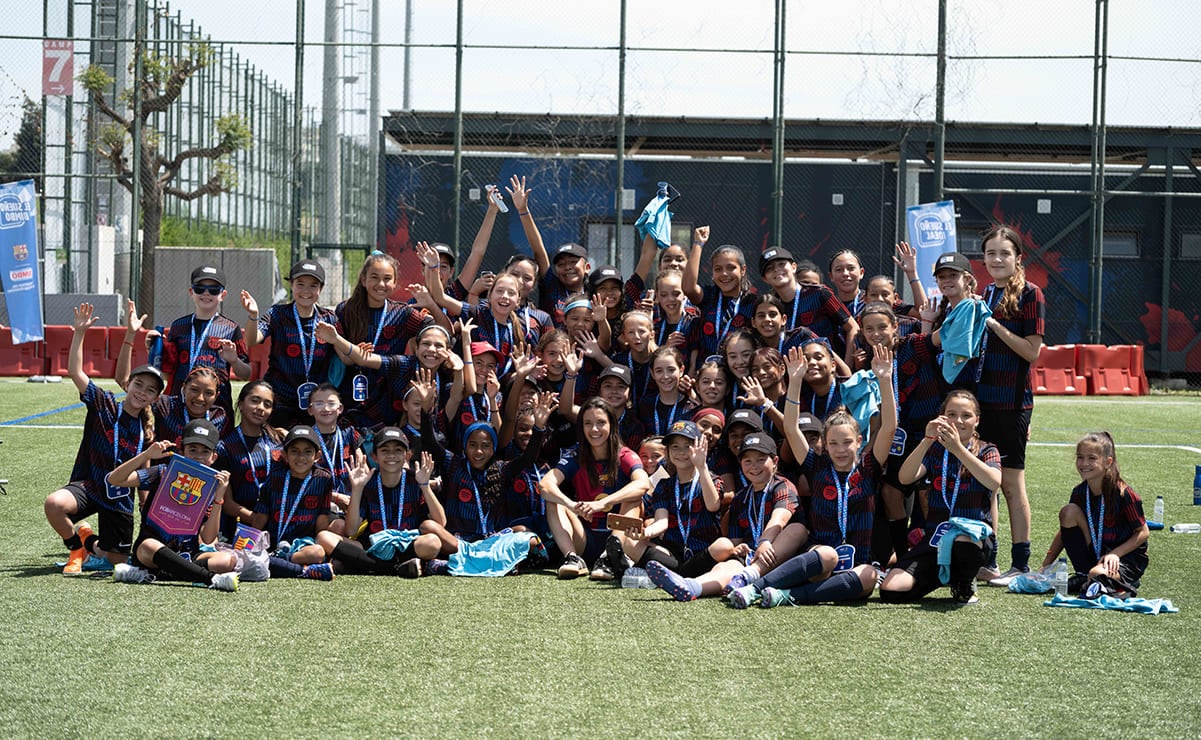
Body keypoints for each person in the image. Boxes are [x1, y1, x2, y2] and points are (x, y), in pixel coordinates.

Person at [725, 344, 896, 608]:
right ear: (825, 445)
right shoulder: (817, 467)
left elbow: (889, 428)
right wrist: (795, 381)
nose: (841, 450)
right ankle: (754, 587)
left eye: (847, 443)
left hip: (855, 564)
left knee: (869, 576)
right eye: (834, 443)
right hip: (818, 556)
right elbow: (792, 429)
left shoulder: (868, 468)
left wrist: (885, 380)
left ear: (859, 442)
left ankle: (785, 596)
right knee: (827, 555)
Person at [44, 303, 164, 575]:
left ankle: (88, 540)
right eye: (138, 385)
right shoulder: (104, 403)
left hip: (120, 496)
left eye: (149, 391)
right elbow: (76, 373)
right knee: (54, 504)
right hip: (91, 485)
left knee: (116, 561)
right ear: (128, 384)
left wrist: (143, 501)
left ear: (155, 398)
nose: (142, 392)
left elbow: (144, 468)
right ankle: (76, 548)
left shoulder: (147, 429)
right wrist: (79, 333)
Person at [644, 433, 802, 601]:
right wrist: (738, 548)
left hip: (779, 554)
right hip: (751, 556)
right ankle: (691, 586)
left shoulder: (782, 485)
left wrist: (764, 541)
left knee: (796, 529)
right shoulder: (741, 497)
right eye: (748, 461)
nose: (754, 466)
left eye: (761, 460)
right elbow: (736, 539)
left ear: (775, 461)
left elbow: (779, 519)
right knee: (725, 567)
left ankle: (747, 577)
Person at [972, 226, 1046, 586]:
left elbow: (1032, 352)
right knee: (986, 484)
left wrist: (994, 325)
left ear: (1018, 257)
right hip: (980, 404)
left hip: (1012, 403)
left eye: (1004, 253)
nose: (997, 259)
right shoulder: (983, 293)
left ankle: (1021, 564)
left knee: (1012, 485)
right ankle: (990, 560)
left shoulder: (1031, 293)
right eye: (991, 253)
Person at [880, 390, 1002, 604]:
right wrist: (927, 440)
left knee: (963, 542)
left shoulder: (987, 450)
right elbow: (905, 477)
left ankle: (964, 584)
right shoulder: (936, 450)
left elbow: (993, 481)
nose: (959, 421)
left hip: (972, 538)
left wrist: (958, 450)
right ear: (942, 417)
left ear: (977, 421)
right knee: (891, 591)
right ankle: (940, 576)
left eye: (966, 415)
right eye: (952, 414)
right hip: (937, 537)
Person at [106, 418, 240, 591]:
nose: (198, 456)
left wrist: (218, 498)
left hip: (187, 554)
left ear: (213, 457)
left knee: (227, 561)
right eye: (192, 450)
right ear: (182, 451)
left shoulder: (212, 486)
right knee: (149, 545)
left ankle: (149, 574)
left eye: (205, 452)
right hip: (152, 550)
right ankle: (212, 579)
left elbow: (208, 538)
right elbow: (115, 479)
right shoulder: (163, 472)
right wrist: (146, 455)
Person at [538, 398, 651, 579]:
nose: (594, 429)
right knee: (554, 501)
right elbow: (545, 485)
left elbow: (643, 484)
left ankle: (608, 559)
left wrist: (603, 503)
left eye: (601, 423)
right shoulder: (576, 454)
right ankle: (572, 558)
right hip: (585, 537)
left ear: (612, 425)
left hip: (618, 536)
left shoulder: (625, 455)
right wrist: (571, 504)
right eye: (588, 423)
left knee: (634, 498)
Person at [320, 428, 454, 578]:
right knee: (324, 537)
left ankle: (367, 566)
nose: (391, 455)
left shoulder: (416, 480)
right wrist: (356, 489)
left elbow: (440, 523)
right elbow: (351, 530)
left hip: (406, 543)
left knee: (433, 543)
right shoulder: (367, 482)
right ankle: (395, 567)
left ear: (407, 455)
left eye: (398, 450)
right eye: (385, 450)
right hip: (374, 545)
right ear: (375, 457)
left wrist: (425, 486)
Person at [613, 421, 729, 580]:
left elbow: (713, 505)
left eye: (688, 446)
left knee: (724, 545)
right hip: (673, 555)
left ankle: (666, 576)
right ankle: (676, 576)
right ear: (667, 452)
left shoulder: (711, 479)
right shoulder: (664, 485)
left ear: (699, 448)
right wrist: (645, 533)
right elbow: (662, 522)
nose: (681, 452)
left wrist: (702, 466)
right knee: (629, 543)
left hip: (704, 553)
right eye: (675, 447)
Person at [332, 251, 433, 427]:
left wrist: (431, 305)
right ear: (363, 280)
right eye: (374, 277)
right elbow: (344, 357)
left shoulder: (403, 313)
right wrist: (355, 352)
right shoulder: (345, 310)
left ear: (394, 283)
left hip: (389, 401)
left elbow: (436, 329)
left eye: (387, 279)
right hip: (352, 398)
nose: (381, 284)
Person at [1041, 432, 1149, 592]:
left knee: (1096, 575)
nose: (1084, 463)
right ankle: (1084, 574)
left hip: (1124, 558)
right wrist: (1045, 566)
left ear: (1107, 462)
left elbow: (1143, 532)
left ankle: (1119, 582)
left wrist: (1115, 554)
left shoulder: (1123, 493)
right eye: (1080, 457)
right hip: (1096, 553)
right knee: (1068, 512)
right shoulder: (1080, 492)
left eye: (1092, 458)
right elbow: (1065, 531)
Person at [242, 259, 337, 428]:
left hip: (316, 402)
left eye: (313, 286)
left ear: (321, 289)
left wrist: (340, 341)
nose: (306, 291)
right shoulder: (277, 313)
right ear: (291, 285)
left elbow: (344, 354)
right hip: (280, 398)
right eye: (300, 284)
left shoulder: (330, 319)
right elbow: (251, 340)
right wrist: (253, 315)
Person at [155, 266, 251, 420]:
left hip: (216, 408)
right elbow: (166, 371)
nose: (206, 293)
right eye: (200, 288)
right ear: (191, 292)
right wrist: (153, 349)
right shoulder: (178, 326)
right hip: (179, 403)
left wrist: (234, 360)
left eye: (214, 290)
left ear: (223, 295)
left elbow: (246, 374)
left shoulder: (231, 328)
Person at [251, 425, 337, 579]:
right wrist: (251, 540)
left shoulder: (324, 479)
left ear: (317, 455)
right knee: (250, 553)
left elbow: (322, 516)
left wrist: (321, 542)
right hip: (272, 542)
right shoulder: (276, 476)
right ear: (285, 454)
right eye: (294, 451)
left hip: (302, 544)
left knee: (317, 552)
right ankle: (300, 569)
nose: (301, 457)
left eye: (308, 452)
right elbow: (261, 514)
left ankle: (279, 561)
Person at [215, 380, 282, 540]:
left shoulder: (278, 442)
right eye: (255, 400)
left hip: (277, 523)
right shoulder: (225, 446)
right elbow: (226, 502)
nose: (261, 408)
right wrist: (256, 519)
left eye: (267, 404)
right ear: (240, 404)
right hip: (239, 527)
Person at [682, 227, 757, 364]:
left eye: (731, 268)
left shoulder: (753, 303)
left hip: (739, 370)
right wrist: (698, 244)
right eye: (718, 269)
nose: (724, 274)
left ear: (743, 270)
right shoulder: (709, 296)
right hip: (707, 371)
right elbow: (688, 288)